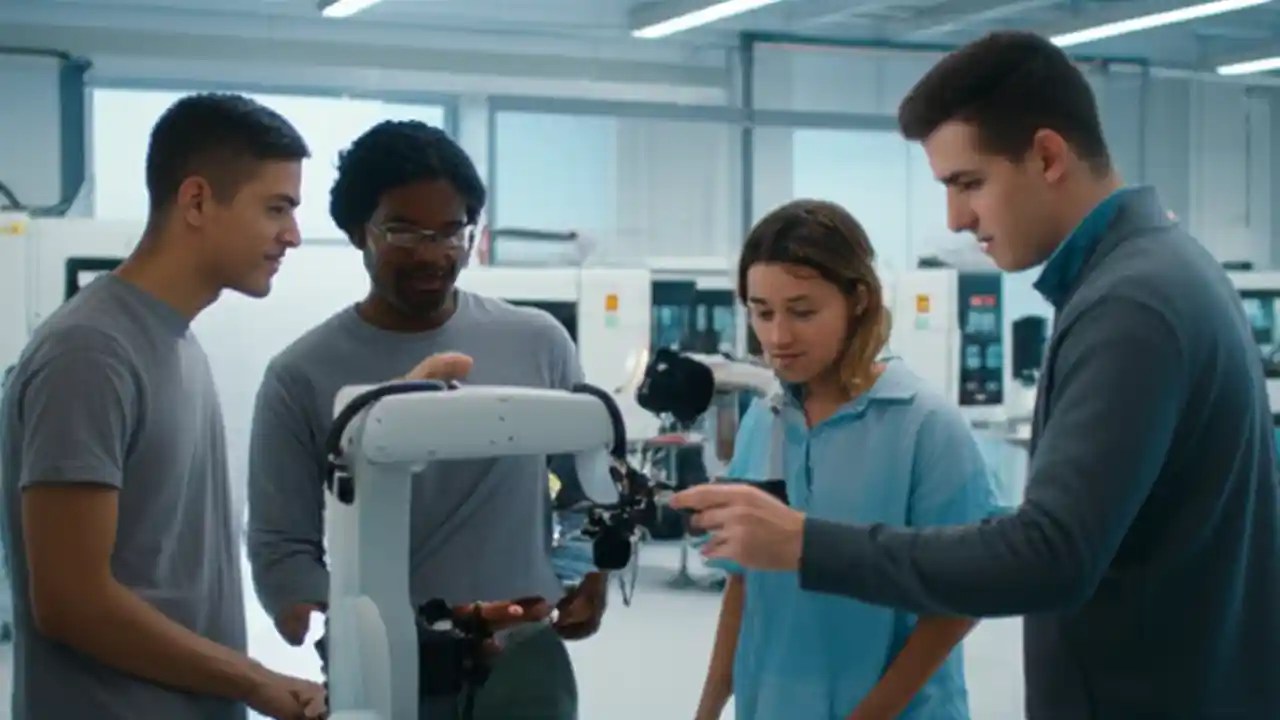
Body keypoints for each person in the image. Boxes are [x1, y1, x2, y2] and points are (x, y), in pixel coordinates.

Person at [672, 30, 1280, 719]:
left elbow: (1050, 554)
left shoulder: (1131, 305)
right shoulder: (1161, 274)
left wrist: (806, 543)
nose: (957, 218)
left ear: (1048, 155)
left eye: (969, 184)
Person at [245, 119, 607, 719]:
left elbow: (583, 493)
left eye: (451, 232)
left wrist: (579, 575)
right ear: (358, 230)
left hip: (524, 660)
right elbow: (281, 547)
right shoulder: (302, 374)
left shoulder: (538, 342)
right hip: (385, 665)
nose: (434, 255)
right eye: (404, 232)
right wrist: (348, 616)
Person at [0, 92, 328, 720]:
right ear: (198, 200)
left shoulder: (176, 342)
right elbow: (71, 600)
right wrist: (252, 679)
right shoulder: (91, 353)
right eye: (276, 208)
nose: (292, 234)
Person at [692, 199, 1004, 720]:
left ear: (858, 299)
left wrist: (871, 714)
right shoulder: (764, 420)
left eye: (802, 311)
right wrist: (708, 708)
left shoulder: (925, 427)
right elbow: (742, 582)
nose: (777, 337)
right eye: (762, 312)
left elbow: (964, 597)